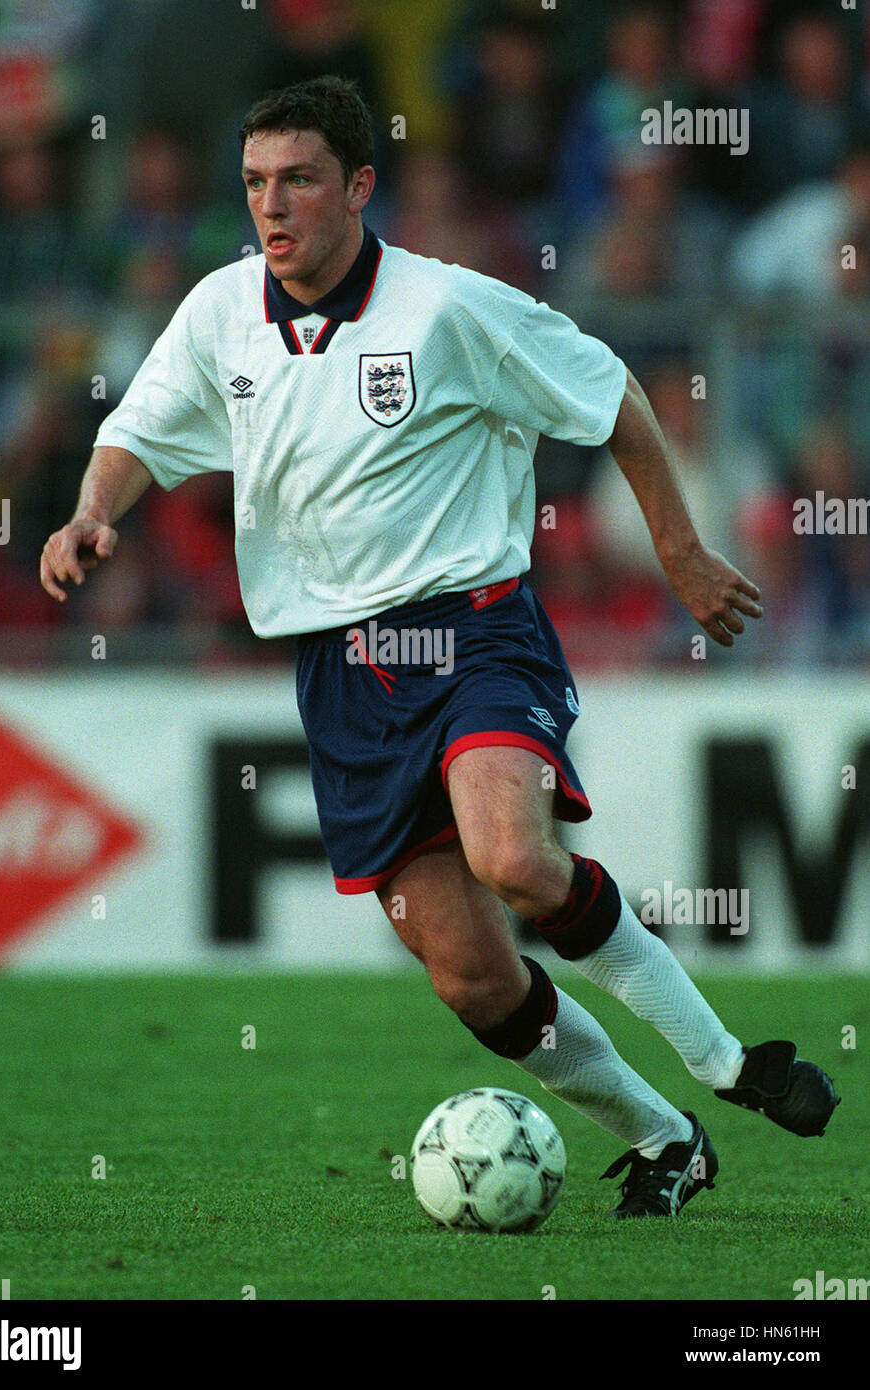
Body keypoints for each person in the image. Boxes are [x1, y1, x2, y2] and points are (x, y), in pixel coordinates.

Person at [41, 76, 839, 1217]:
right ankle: (670, 1137)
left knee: (512, 855)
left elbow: (609, 389)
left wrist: (678, 549)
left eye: (301, 179)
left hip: (473, 632)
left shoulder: (448, 307)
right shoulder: (220, 313)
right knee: (474, 980)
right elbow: (137, 431)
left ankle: (727, 1060)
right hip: (339, 672)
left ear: (360, 187)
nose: (274, 205)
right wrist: (90, 509)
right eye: (258, 182)